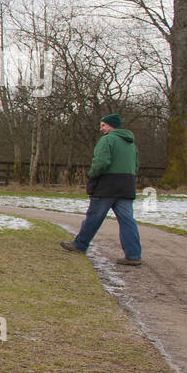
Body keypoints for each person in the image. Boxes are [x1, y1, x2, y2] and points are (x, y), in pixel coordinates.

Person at [59, 114, 142, 266]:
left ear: (111, 126)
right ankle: (133, 255)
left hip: (107, 185)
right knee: (127, 221)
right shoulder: (131, 144)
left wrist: (92, 174)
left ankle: (80, 244)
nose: (101, 128)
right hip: (127, 185)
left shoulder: (107, 140)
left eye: (103, 125)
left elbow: (101, 161)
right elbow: (136, 166)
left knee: (94, 217)